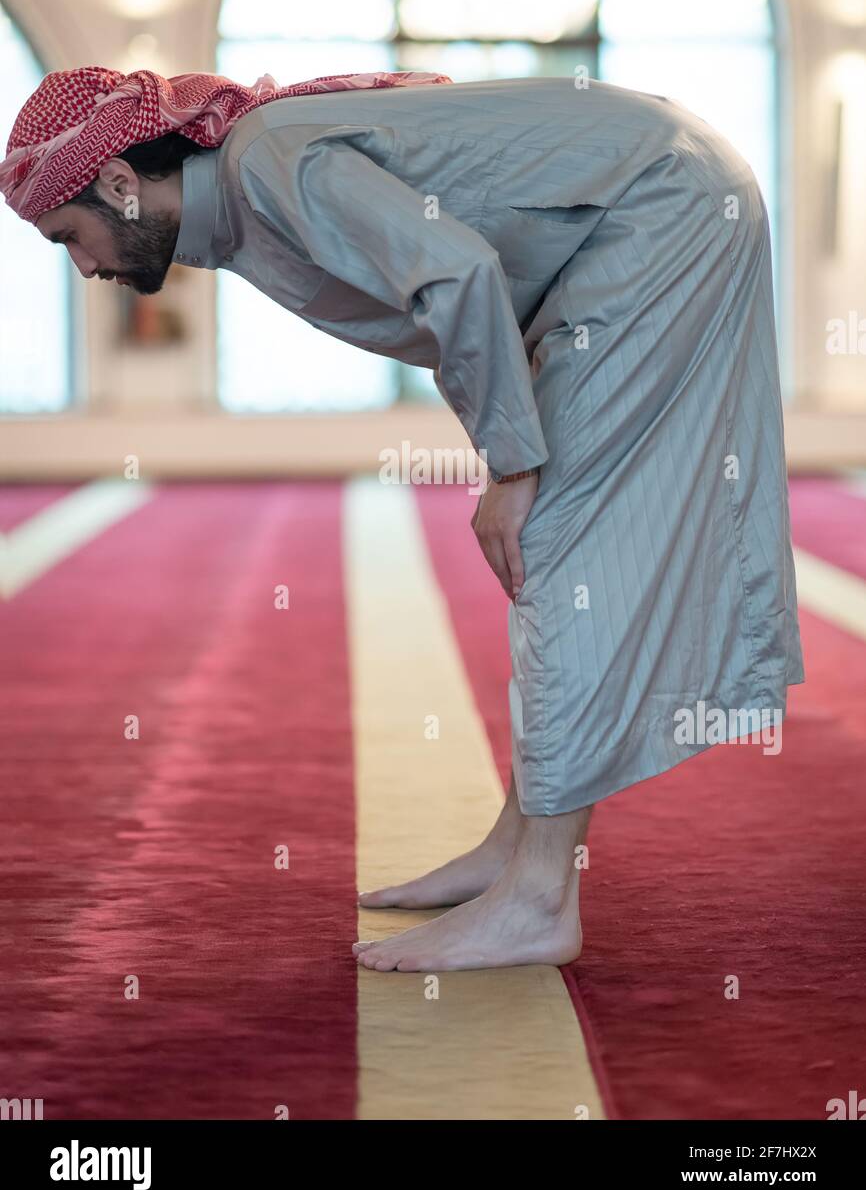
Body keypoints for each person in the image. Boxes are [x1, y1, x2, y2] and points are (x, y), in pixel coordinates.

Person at [0, 66, 805, 972]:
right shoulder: (250, 193)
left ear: (117, 184)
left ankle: (542, 899)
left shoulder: (266, 167)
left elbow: (456, 274)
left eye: (71, 237)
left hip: (665, 211)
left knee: (555, 541)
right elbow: (447, 296)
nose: (87, 267)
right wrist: (509, 449)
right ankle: (519, 849)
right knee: (549, 533)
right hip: (653, 205)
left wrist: (513, 465)